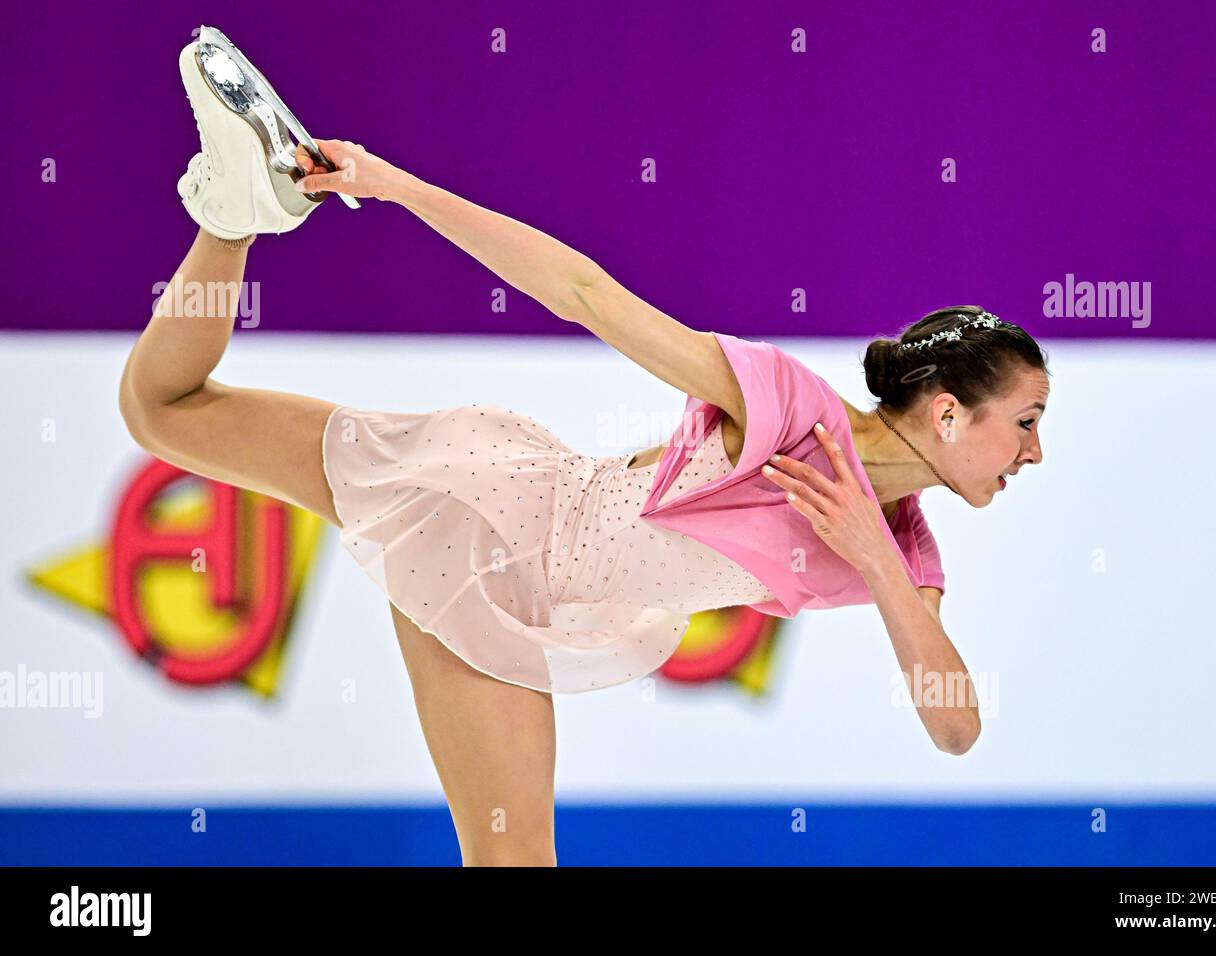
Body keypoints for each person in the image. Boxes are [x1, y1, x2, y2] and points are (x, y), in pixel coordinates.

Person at [117, 35, 1050, 866]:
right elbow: (586, 294)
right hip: (491, 518)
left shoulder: (908, 554)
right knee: (160, 410)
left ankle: (233, 213)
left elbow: (956, 728)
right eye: (1026, 419)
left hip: (546, 587)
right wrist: (398, 187)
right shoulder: (791, 407)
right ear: (947, 414)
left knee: (164, 411)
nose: (1036, 453)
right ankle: (236, 208)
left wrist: (873, 552)